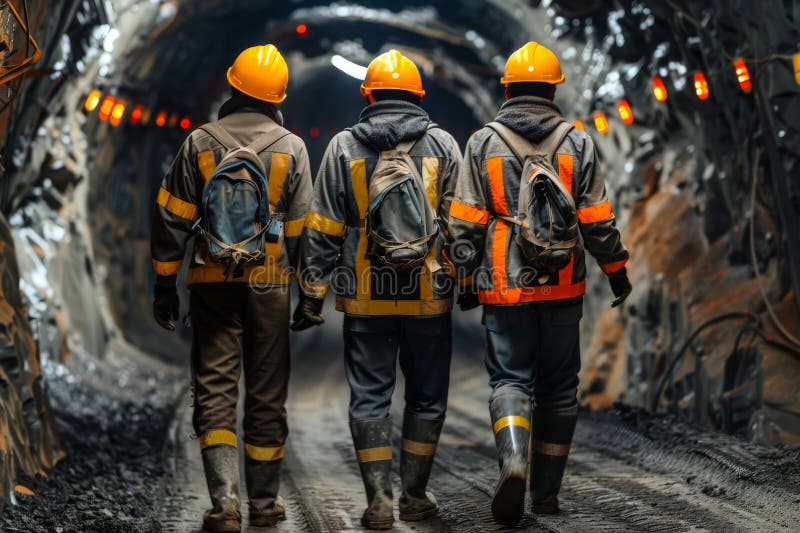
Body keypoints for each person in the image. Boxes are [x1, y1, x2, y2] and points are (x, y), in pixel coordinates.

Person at [447, 41, 632, 526]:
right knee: (557, 390)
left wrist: (465, 278)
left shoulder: (484, 142)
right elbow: (597, 221)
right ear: (553, 89)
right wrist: (617, 272)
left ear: (506, 87)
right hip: (564, 285)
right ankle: (546, 495)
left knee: (510, 379)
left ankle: (513, 462)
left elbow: (463, 225)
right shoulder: (578, 141)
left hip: (504, 287)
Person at [292, 49, 463, 530]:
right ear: (417, 95)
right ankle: (414, 494)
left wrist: (311, 294)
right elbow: (462, 225)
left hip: (365, 296)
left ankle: (379, 501)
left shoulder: (344, 147)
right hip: (429, 293)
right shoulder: (445, 146)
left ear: (367, 95)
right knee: (427, 397)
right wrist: (467, 281)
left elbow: (323, 228)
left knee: (369, 396)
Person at [150, 44, 311, 533]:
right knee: (266, 392)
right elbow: (304, 228)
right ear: (278, 96)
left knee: (215, 388)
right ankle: (264, 504)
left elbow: (171, 217)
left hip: (209, 278)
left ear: (233, 86)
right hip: (269, 281)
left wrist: (164, 284)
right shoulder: (292, 147)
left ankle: (225, 505)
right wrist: (309, 292)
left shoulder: (199, 142)